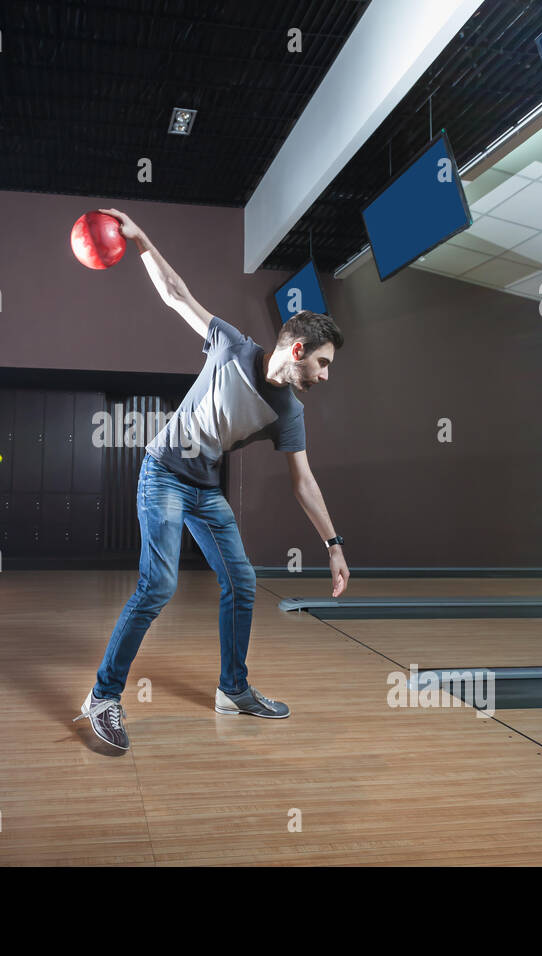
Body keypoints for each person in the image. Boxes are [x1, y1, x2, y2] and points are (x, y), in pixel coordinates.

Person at [74, 207, 349, 751]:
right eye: (322, 363)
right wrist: (141, 238)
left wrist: (333, 545)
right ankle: (103, 697)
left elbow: (304, 481)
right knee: (159, 585)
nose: (324, 374)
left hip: (203, 490)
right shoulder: (231, 347)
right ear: (297, 351)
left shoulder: (289, 413)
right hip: (162, 474)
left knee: (241, 583)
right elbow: (176, 293)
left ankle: (233, 689)